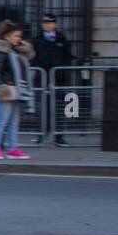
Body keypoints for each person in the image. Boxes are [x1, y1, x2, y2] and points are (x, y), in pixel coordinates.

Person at [0, 20, 34, 159]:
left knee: (14, 121)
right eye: (16, 36)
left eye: (19, 36)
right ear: (6, 36)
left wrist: (26, 49)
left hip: (16, 88)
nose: (18, 39)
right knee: (1, 120)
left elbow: (28, 61)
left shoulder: (16, 51)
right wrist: (1, 87)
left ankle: (13, 148)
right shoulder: (0, 50)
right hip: (4, 89)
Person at [33, 13, 71, 144]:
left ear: (55, 24)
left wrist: (62, 71)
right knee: (42, 108)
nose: (47, 24)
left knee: (59, 108)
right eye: (45, 22)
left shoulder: (62, 39)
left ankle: (59, 136)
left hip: (58, 79)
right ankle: (41, 134)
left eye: (50, 22)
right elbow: (33, 58)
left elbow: (67, 58)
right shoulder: (37, 40)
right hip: (42, 79)